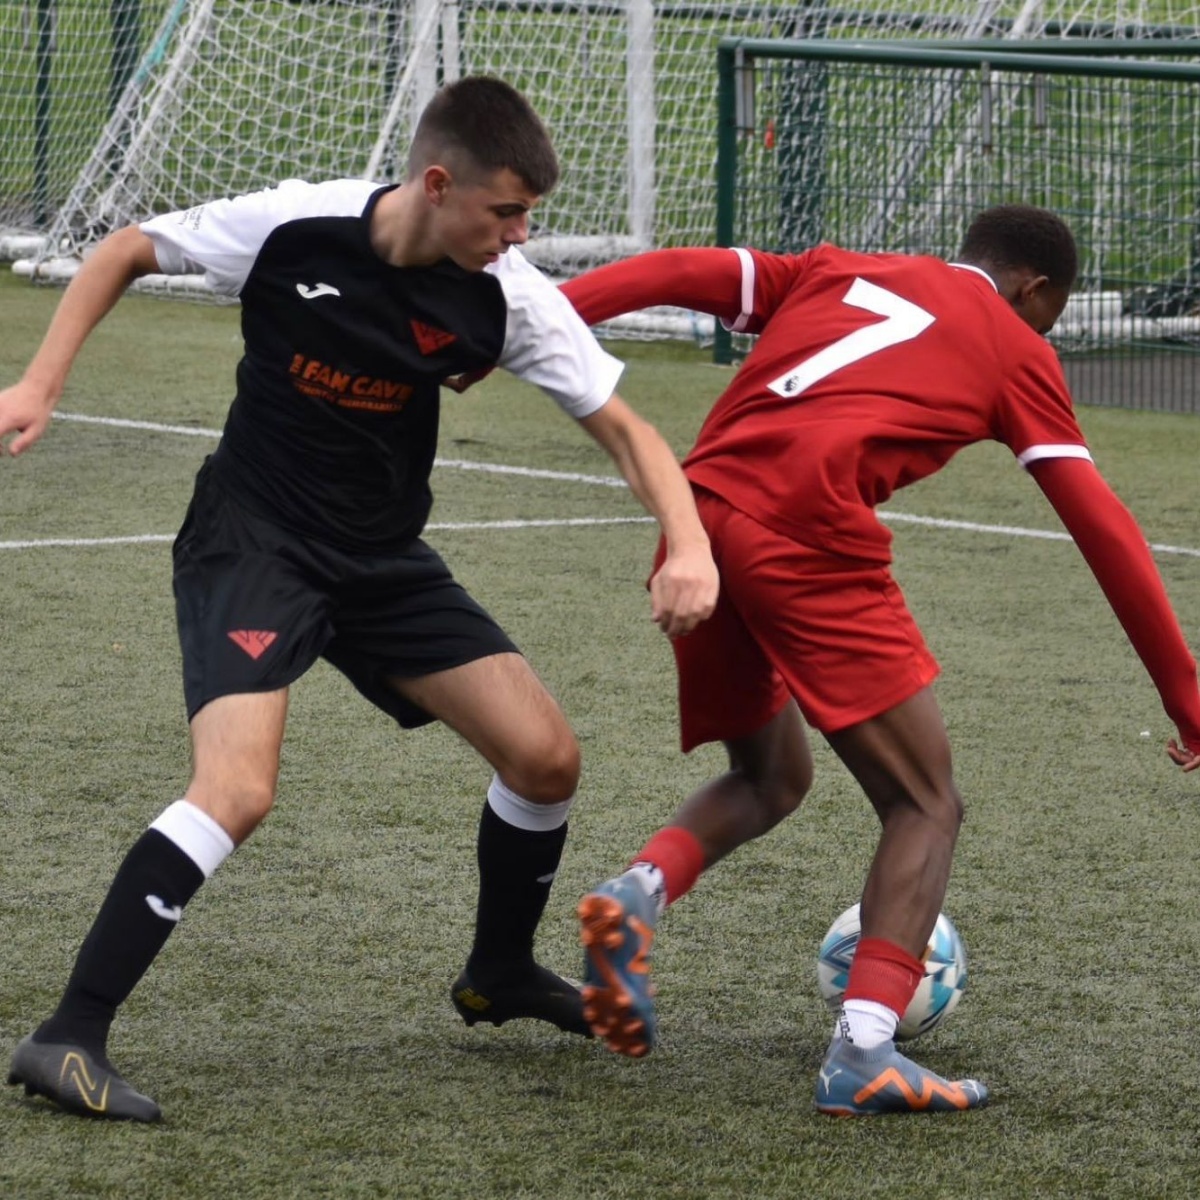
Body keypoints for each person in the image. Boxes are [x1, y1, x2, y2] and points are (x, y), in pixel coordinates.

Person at [0, 75, 718, 1122]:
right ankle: (68, 1034)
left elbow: (629, 432)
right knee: (236, 790)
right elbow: (122, 250)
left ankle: (497, 972)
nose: (522, 236)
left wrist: (687, 543)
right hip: (253, 543)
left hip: (380, 559)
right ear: (438, 185)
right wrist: (39, 384)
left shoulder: (507, 295)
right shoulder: (296, 227)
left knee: (545, 758)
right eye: (506, 212)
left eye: (528, 215)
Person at [559, 205, 1200, 1115]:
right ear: (1034, 290)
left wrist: (538, 318)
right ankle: (864, 1049)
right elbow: (1105, 529)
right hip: (803, 539)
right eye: (1051, 316)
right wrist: (1186, 697)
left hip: (695, 528)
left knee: (772, 776)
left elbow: (677, 271)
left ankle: (637, 893)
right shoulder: (1017, 348)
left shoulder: (837, 268)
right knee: (925, 802)